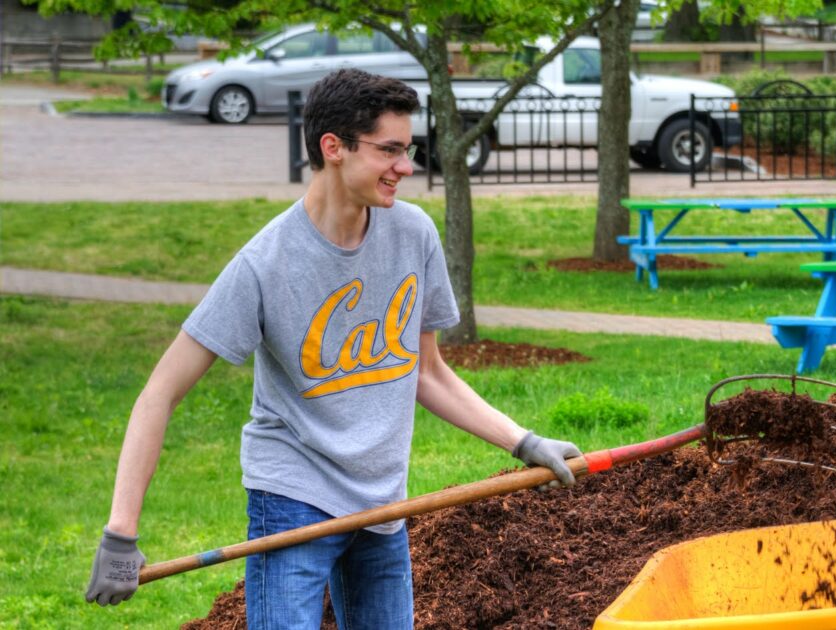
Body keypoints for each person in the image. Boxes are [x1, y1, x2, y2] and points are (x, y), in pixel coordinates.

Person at [84, 68, 582, 628]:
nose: (408, 166)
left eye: (409, 147)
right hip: (294, 497)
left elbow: (427, 373)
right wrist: (120, 531)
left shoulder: (413, 235)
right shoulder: (264, 264)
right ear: (334, 148)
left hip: (383, 500)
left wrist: (525, 442)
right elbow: (160, 391)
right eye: (390, 149)